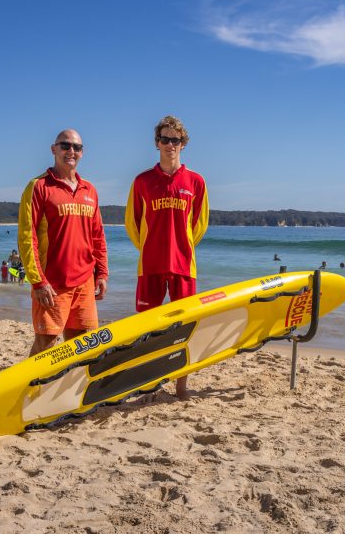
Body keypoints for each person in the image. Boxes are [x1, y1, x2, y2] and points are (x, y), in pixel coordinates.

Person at [125, 115, 208, 400]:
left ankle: (181, 386)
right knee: (147, 329)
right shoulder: (142, 181)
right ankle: (148, 383)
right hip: (150, 265)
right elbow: (133, 224)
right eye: (165, 139)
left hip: (184, 266)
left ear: (183, 144)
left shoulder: (195, 182)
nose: (170, 144)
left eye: (175, 140)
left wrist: (180, 246)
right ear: (157, 143)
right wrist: (151, 247)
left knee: (184, 328)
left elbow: (199, 225)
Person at [19, 129, 109, 357]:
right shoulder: (39, 186)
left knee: (83, 348)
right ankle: (33, 393)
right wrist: (38, 282)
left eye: (76, 147)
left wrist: (102, 273)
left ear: (82, 152)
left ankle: (69, 394)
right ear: (53, 149)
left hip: (85, 283)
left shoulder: (90, 189)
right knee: (46, 348)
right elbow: (27, 237)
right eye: (65, 145)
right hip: (52, 283)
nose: (71, 151)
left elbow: (97, 235)